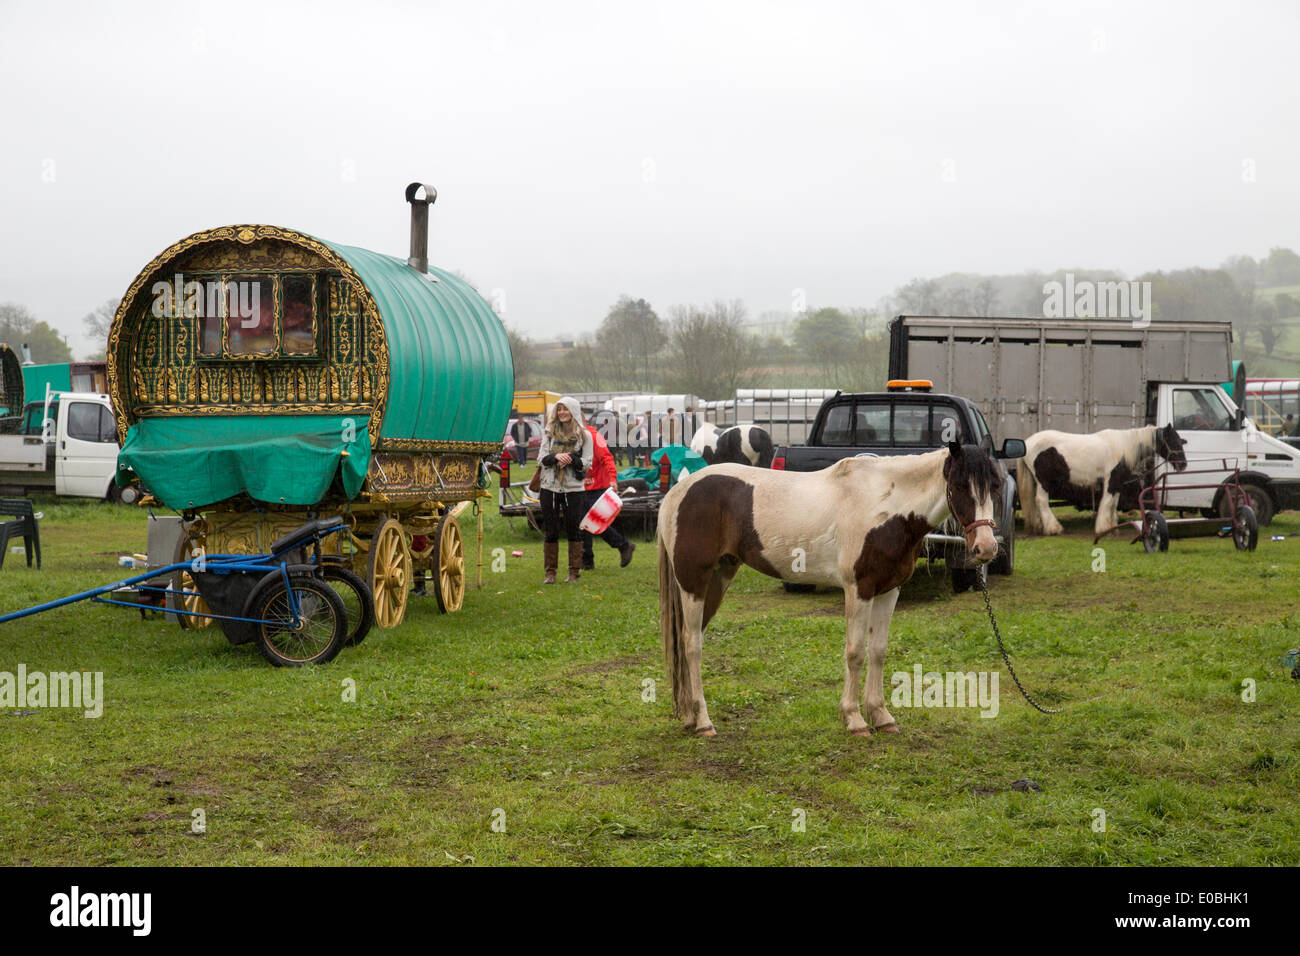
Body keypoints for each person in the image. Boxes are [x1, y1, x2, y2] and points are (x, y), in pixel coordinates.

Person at [537, 396, 594, 584]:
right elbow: (541, 458)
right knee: (551, 529)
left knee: (573, 529)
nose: (562, 413)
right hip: (549, 486)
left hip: (573, 488)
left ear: (573, 411)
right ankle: (550, 573)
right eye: (559, 409)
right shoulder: (549, 432)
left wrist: (571, 458)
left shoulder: (584, 435)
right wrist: (556, 457)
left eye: (565, 409)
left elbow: (587, 463)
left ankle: (573, 573)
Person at [581, 422, 635, 570]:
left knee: (594, 522)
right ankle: (587, 560)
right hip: (581, 486)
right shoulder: (572, 437)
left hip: (597, 486)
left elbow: (607, 458)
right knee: (584, 524)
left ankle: (623, 545)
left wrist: (612, 478)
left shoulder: (594, 437)